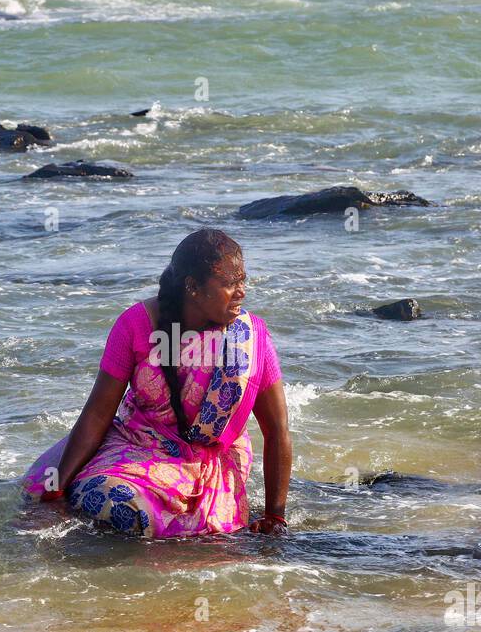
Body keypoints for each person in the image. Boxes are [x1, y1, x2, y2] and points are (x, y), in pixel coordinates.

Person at [22, 228, 292, 537]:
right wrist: (58, 489)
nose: (242, 292)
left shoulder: (250, 337)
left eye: (242, 281)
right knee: (109, 502)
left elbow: (277, 430)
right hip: (140, 445)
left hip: (214, 460)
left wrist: (275, 515)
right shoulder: (136, 325)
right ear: (192, 287)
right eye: (230, 284)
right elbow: (98, 414)